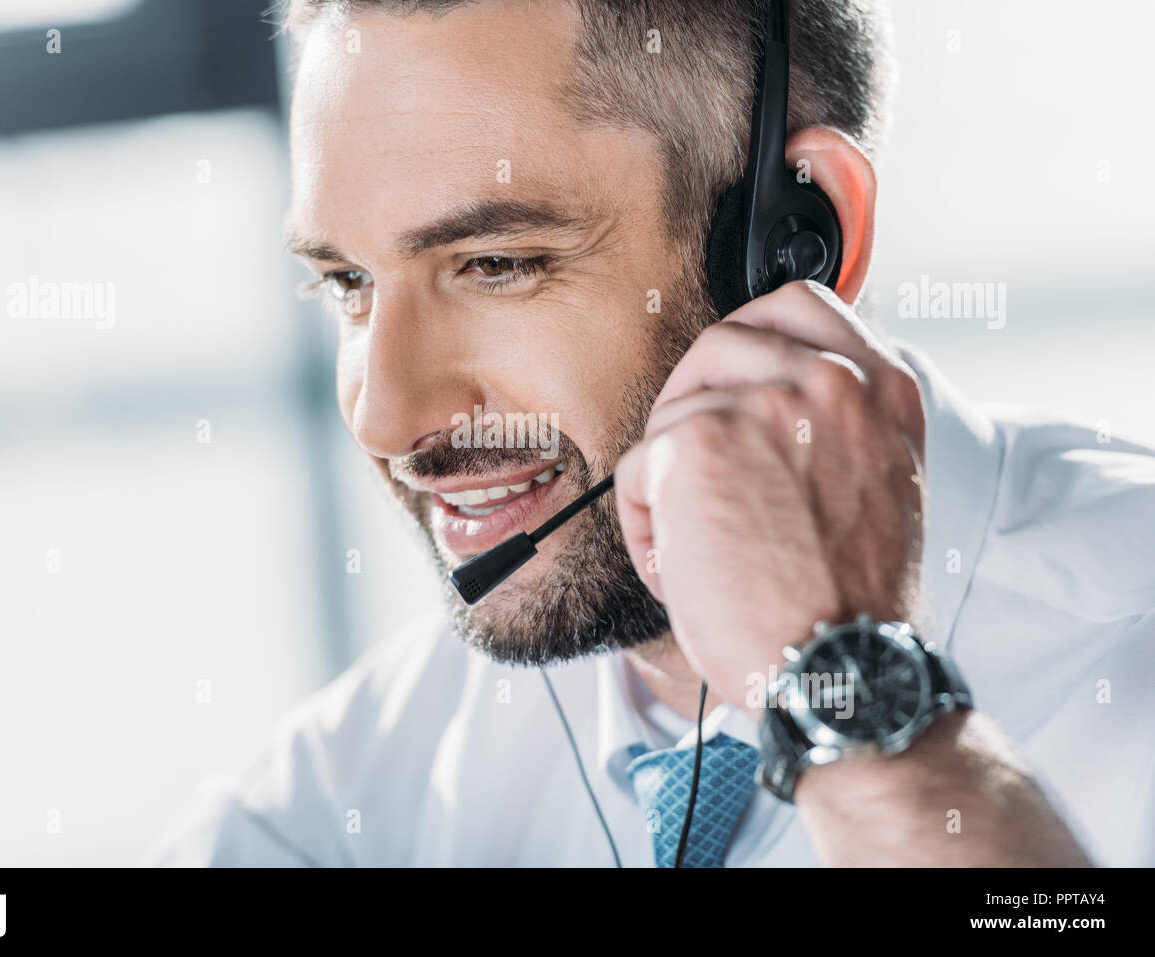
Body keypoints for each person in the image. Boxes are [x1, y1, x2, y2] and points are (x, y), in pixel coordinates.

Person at [152, 0, 1154, 867]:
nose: (386, 417)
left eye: (496, 263)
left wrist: (861, 713)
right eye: (348, 284)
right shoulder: (358, 790)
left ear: (794, 239)